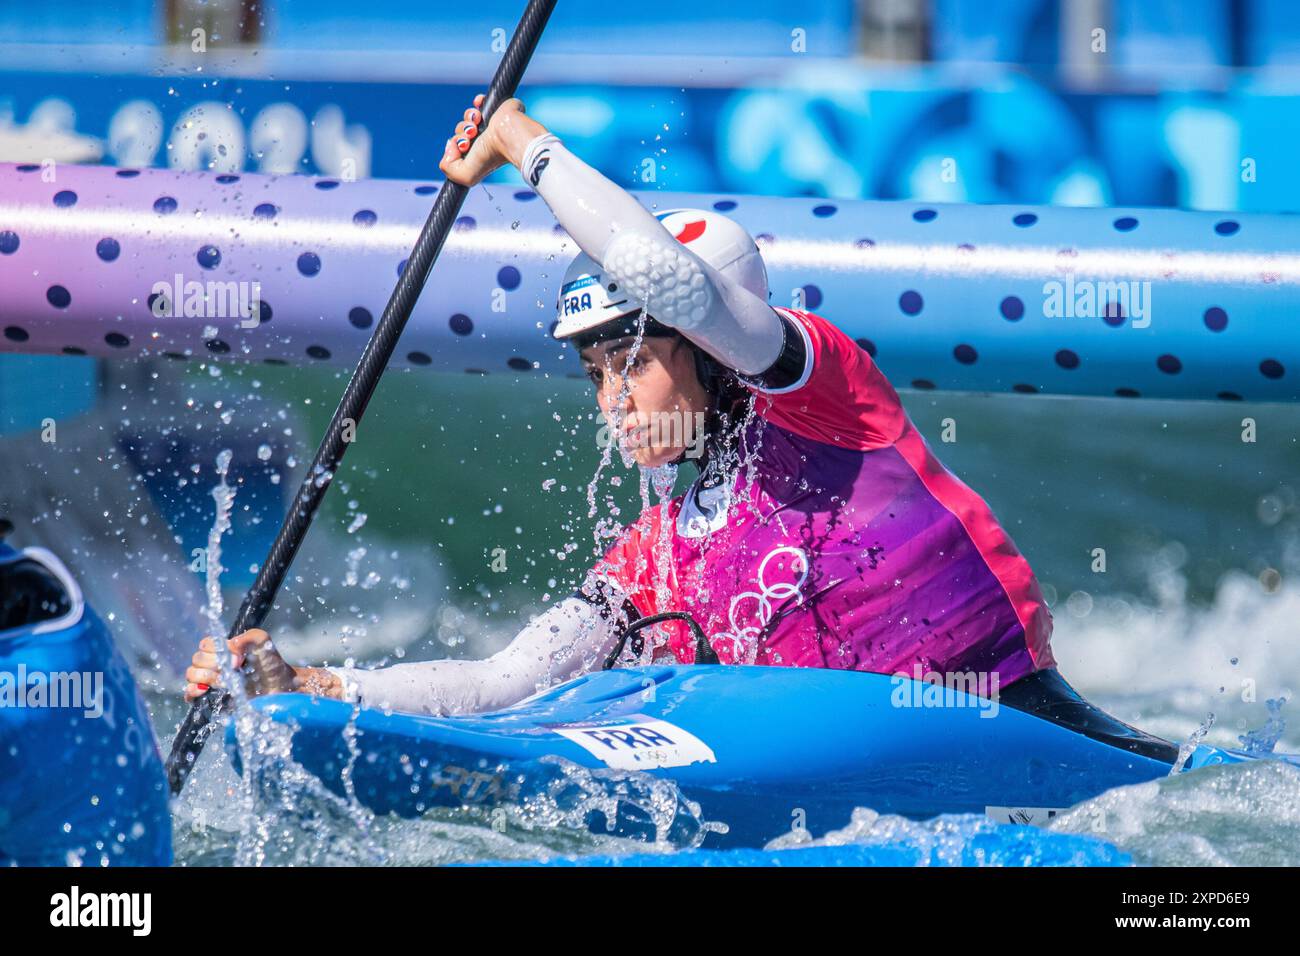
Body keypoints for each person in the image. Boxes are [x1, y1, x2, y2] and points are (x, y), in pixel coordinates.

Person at [184, 94, 1056, 716]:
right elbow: (504, 684)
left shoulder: (827, 402)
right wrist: (320, 689)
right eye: (596, 372)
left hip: (1022, 719)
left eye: (632, 362)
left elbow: (666, 280)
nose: (612, 399)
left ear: (714, 353)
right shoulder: (660, 557)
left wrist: (522, 141)